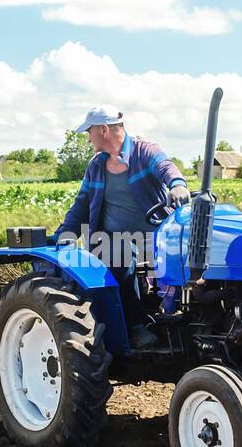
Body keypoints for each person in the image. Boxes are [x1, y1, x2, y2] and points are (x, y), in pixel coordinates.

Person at [56, 106, 190, 350]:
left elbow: (165, 166)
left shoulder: (143, 152)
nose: (87, 137)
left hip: (155, 238)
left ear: (104, 130)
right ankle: (136, 327)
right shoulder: (96, 166)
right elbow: (82, 205)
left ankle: (179, 317)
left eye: (89, 131)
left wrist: (178, 185)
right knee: (121, 249)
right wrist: (63, 235)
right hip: (109, 241)